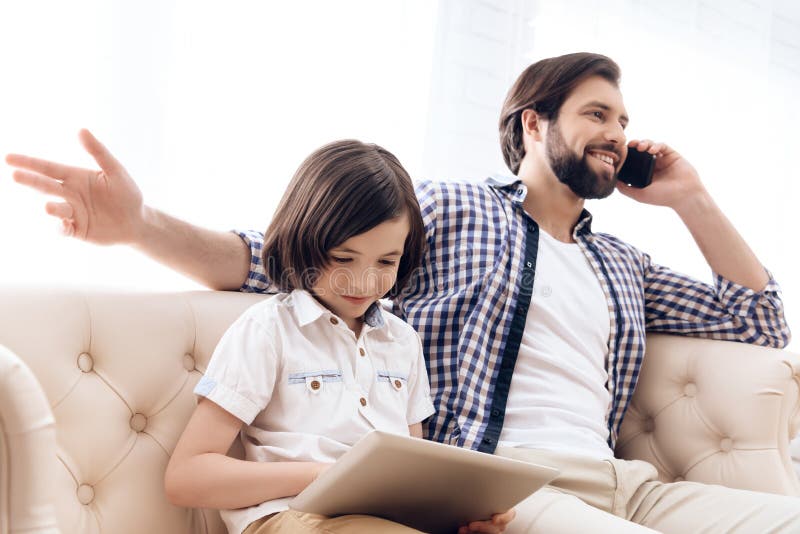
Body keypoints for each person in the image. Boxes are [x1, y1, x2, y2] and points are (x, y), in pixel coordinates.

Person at [7, 52, 800, 532]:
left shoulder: (623, 264)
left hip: (624, 485)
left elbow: (761, 320)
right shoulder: (450, 212)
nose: (618, 134)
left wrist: (691, 198)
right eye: (597, 113)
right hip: (518, 482)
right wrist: (140, 226)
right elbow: (276, 257)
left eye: (624, 120)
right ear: (533, 125)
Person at [159, 139, 514, 534]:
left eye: (386, 261)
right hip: (289, 517)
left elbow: (411, 468)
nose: (363, 281)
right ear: (303, 240)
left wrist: (456, 516)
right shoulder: (268, 329)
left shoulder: (403, 342)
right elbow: (187, 477)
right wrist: (322, 475)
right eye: (344, 259)